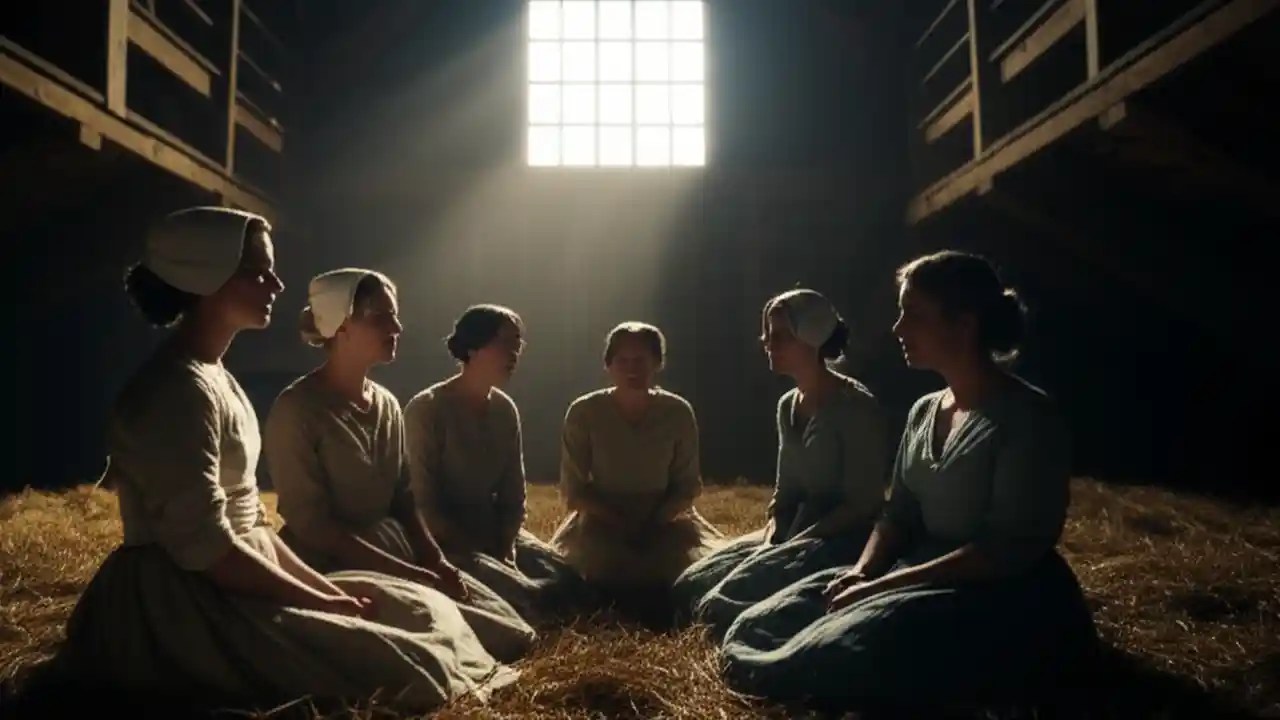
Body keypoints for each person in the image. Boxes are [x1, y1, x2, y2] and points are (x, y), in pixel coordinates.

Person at [46, 207, 518, 714]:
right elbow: (205, 547)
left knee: (423, 612)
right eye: (257, 271)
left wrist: (324, 592)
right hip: (184, 597)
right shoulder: (172, 393)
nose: (275, 284)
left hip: (246, 565)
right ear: (207, 278)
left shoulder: (217, 378)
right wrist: (321, 601)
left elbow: (253, 523)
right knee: (406, 667)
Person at [719, 250, 1097, 709]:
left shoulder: (1028, 419)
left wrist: (883, 588)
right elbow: (898, 512)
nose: (898, 328)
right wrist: (861, 572)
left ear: (964, 325)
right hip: (916, 567)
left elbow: (1005, 549)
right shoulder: (924, 411)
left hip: (995, 593)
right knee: (756, 626)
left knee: (835, 653)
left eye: (913, 315)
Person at [263, 271, 535, 662]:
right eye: (380, 317)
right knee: (457, 643)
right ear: (340, 326)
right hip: (334, 562)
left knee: (513, 628)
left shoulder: (386, 404)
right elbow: (313, 525)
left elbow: (404, 499)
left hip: (394, 547)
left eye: (395, 315)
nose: (396, 327)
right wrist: (412, 574)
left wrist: (436, 561)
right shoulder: (298, 410)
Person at [672, 289, 890, 639]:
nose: (769, 344)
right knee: (690, 584)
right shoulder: (788, 405)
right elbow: (785, 490)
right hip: (791, 528)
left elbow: (864, 504)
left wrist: (796, 544)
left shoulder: (855, 408)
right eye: (768, 335)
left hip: (839, 536)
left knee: (718, 604)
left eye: (782, 336)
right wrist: (773, 539)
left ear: (813, 338)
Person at [403, 304, 592, 626]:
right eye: (505, 343)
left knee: (573, 582)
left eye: (518, 344)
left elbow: (513, 495)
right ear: (473, 347)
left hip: (493, 533)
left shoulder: (504, 410)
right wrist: (479, 552)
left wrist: (505, 548)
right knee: (526, 597)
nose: (514, 353)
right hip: (444, 541)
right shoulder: (427, 410)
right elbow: (423, 506)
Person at [550, 322, 724, 621]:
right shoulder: (584, 412)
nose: (632, 369)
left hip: (664, 517)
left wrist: (654, 522)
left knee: (690, 575)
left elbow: (687, 485)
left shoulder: (677, 412)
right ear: (608, 365)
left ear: (657, 363)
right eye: (623, 361)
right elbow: (573, 490)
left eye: (641, 360)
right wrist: (619, 522)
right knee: (590, 577)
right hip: (602, 517)